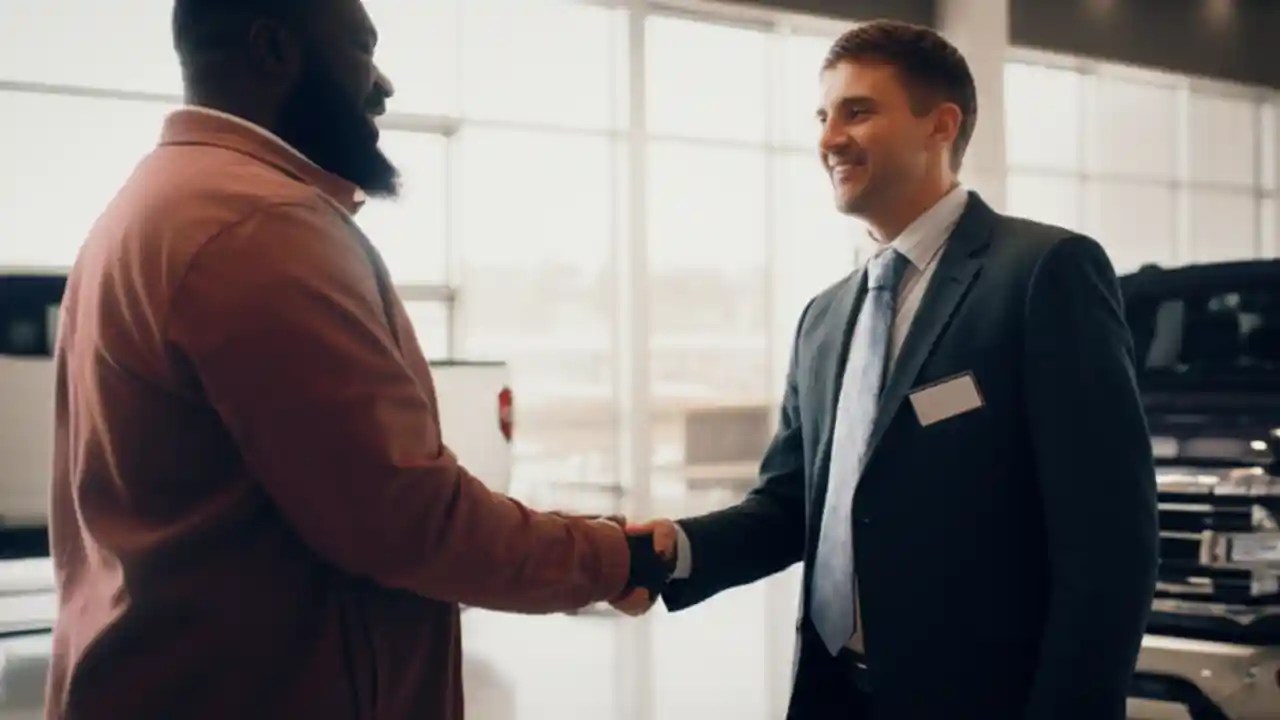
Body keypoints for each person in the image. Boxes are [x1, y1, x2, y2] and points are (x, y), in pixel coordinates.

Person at [45, 1, 668, 718]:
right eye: (359, 50)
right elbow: (406, 521)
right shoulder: (257, 225)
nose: (382, 85)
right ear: (273, 47)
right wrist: (609, 559)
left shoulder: (156, 203)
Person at [616, 19, 1159, 720]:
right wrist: (680, 547)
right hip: (836, 693)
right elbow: (791, 507)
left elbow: (1111, 541)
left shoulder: (1042, 274)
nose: (828, 139)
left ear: (941, 125)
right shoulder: (825, 316)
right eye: (822, 115)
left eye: (858, 111)